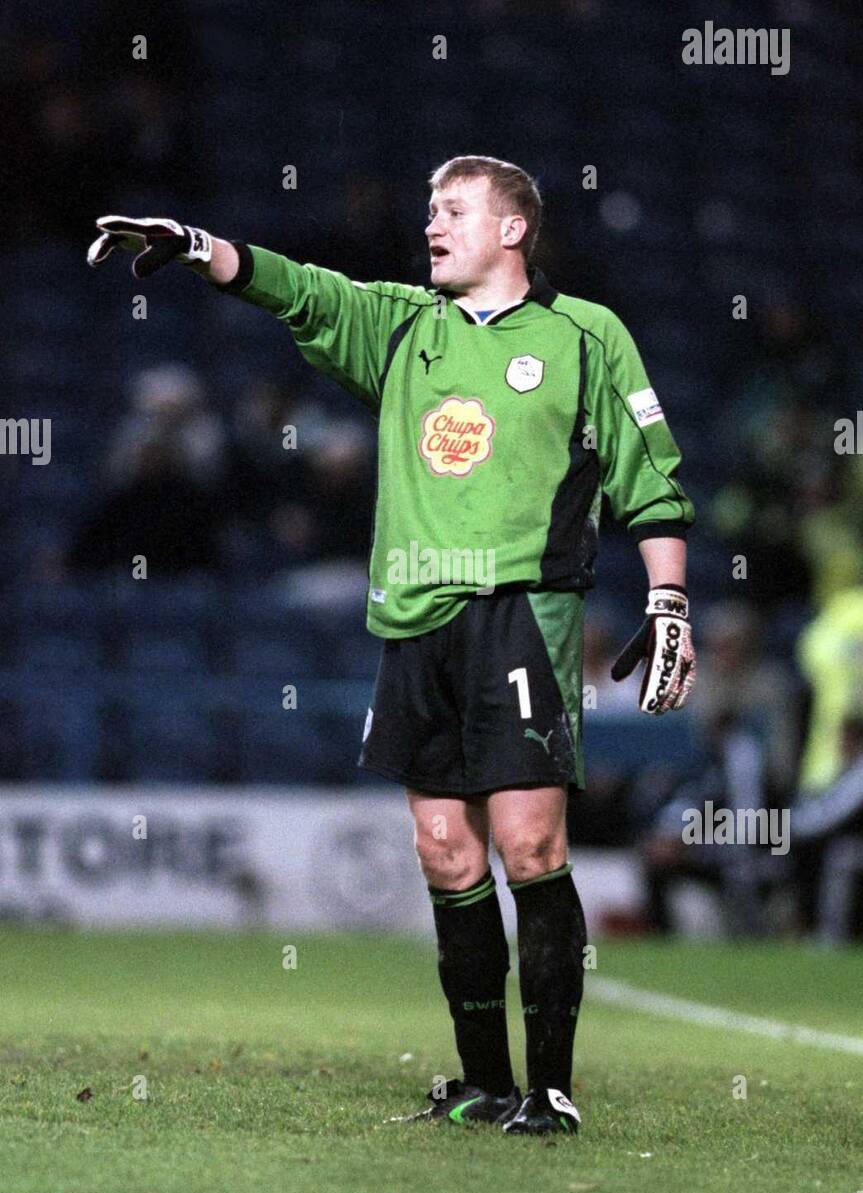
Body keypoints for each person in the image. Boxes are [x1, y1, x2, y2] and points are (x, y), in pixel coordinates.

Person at [87, 155, 696, 1135]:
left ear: (511, 229)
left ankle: (550, 1087)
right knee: (443, 848)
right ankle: (484, 1080)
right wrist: (196, 248)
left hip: (522, 615)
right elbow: (298, 287)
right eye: (426, 210)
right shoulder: (404, 324)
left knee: (528, 842)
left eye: (452, 210)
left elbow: (650, 480)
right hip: (416, 618)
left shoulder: (589, 337)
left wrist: (667, 602)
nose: (430, 225)